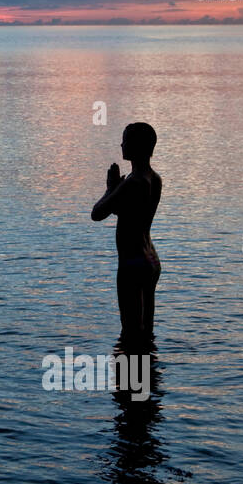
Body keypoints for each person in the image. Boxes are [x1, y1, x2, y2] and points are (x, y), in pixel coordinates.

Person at [92, 123, 162, 339]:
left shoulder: (132, 182)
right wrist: (116, 191)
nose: (121, 144)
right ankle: (149, 370)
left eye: (125, 140)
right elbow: (128, 212)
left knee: (131, 329)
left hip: (132, 262)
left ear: (136, 146)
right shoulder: (154, 178)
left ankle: (129, 372)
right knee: (146, 328)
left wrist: (110, 188)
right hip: (150, 259)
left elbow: (97, 213)